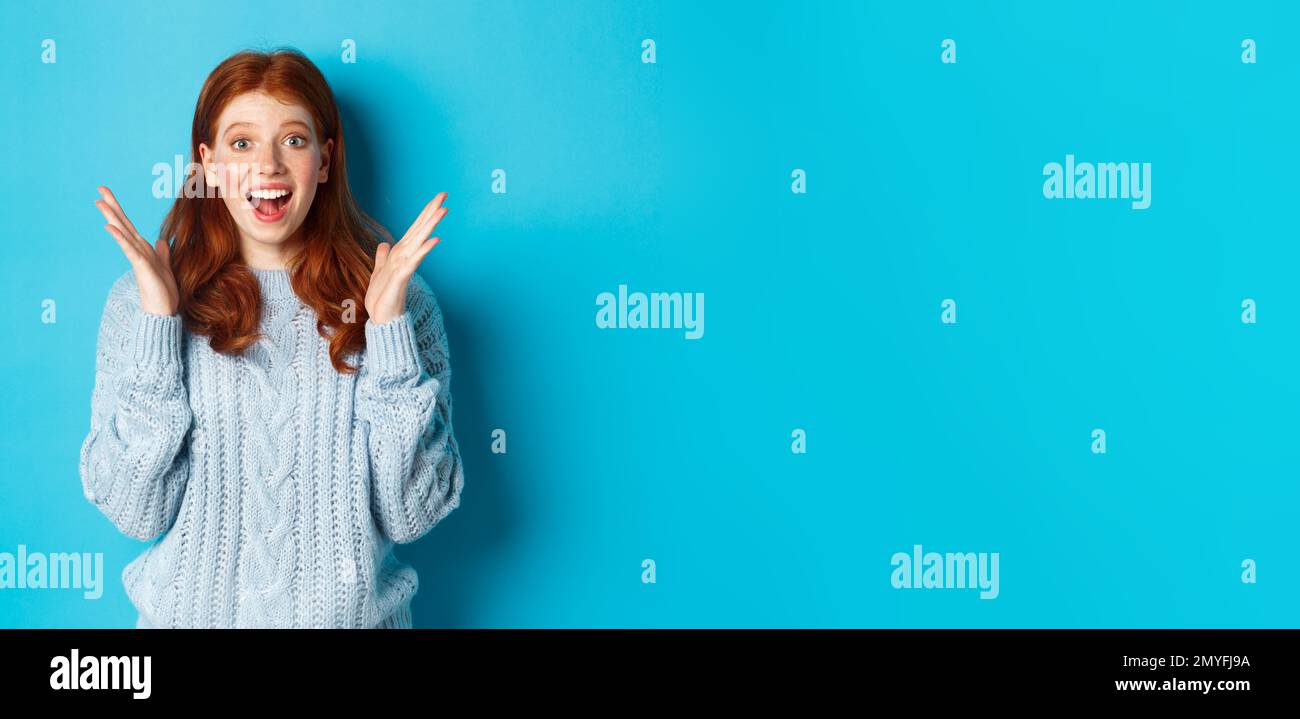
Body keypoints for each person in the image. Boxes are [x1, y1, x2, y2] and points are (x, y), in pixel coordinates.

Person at [77, 47, 464, 628]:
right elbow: (136, 510)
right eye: (241, 143)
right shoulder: (140, 302)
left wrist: (389, 335)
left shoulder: (399, 303)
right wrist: (160, 326)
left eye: (293, 140)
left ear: (326, 160)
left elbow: (412, 512)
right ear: (206, 162)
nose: (269, 167)